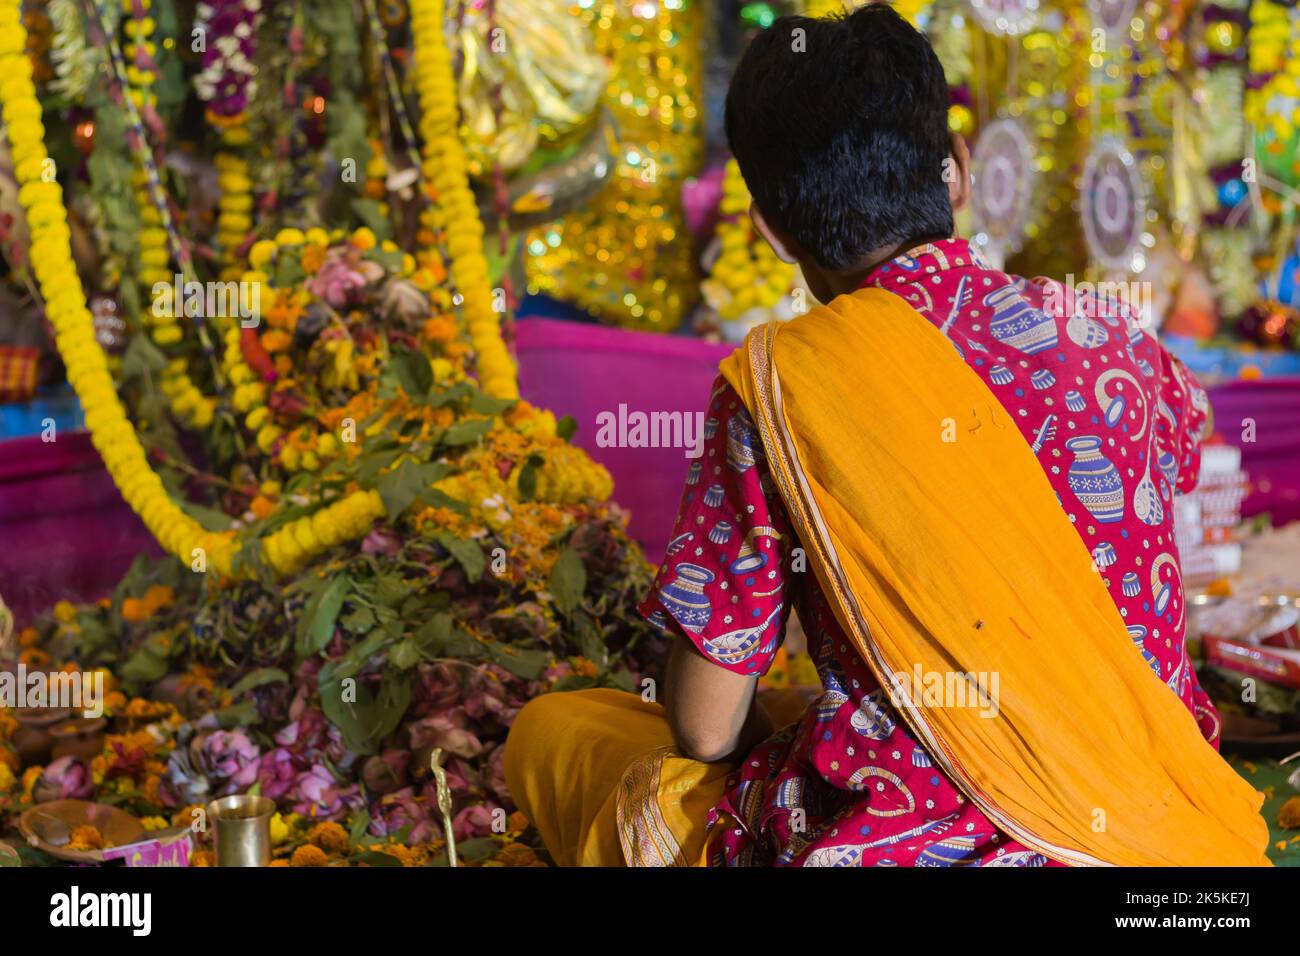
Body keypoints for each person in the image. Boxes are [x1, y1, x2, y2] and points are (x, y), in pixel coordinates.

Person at [504, 4, 1269, 867]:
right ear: (959, 172)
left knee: (563, 732)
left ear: (768, 227)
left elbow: (705, 725)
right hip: (1156, 837)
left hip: (899, 843)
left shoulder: (782, 380)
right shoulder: (1115, 336)